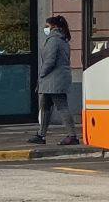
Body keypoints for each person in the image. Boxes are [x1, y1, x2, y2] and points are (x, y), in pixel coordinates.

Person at [29, 15, 77, 146]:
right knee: (45, 106)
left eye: (47, 26)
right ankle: (41, 135)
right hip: (56, 79)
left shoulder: (53, 40)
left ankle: (72, 135)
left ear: (53, 27)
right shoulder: (63, 40)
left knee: (61, 106)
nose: (45, 28)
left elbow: (49, 61)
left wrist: (41, 75)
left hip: (53, 80)